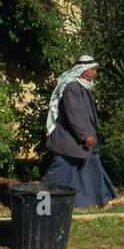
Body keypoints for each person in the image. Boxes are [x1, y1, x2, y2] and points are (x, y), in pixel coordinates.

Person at [43, 55, 116, 208]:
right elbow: (73, 115)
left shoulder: (82, 87)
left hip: (79, 141)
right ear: (82, 71)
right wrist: (84, 136)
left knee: (92, 167)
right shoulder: (72, 88)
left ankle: (103, 201)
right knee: (59, 172)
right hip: (69, 141)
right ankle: (43, 204)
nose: (95, 73)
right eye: (92, 69)